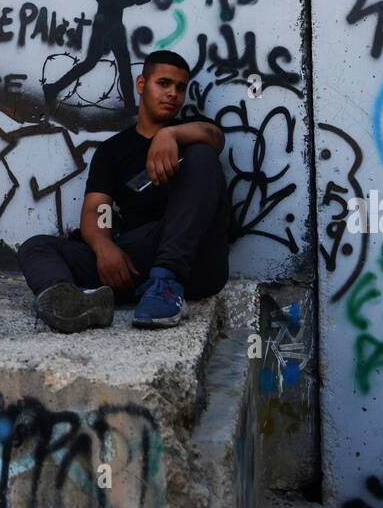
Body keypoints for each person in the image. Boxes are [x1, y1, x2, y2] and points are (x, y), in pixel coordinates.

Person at [17, 50, 232, 332]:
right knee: (37, 246)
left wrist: (170, 135)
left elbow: (215, 137)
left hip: (192, 259)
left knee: (203, 155)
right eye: (163, 83)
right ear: (141, 84)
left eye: (180, 88)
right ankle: (74, 302)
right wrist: (103, 246)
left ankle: (166, 280)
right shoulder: (112, 152)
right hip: (136, 262)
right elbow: (97, 209)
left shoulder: (191, 135)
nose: (172, 94)